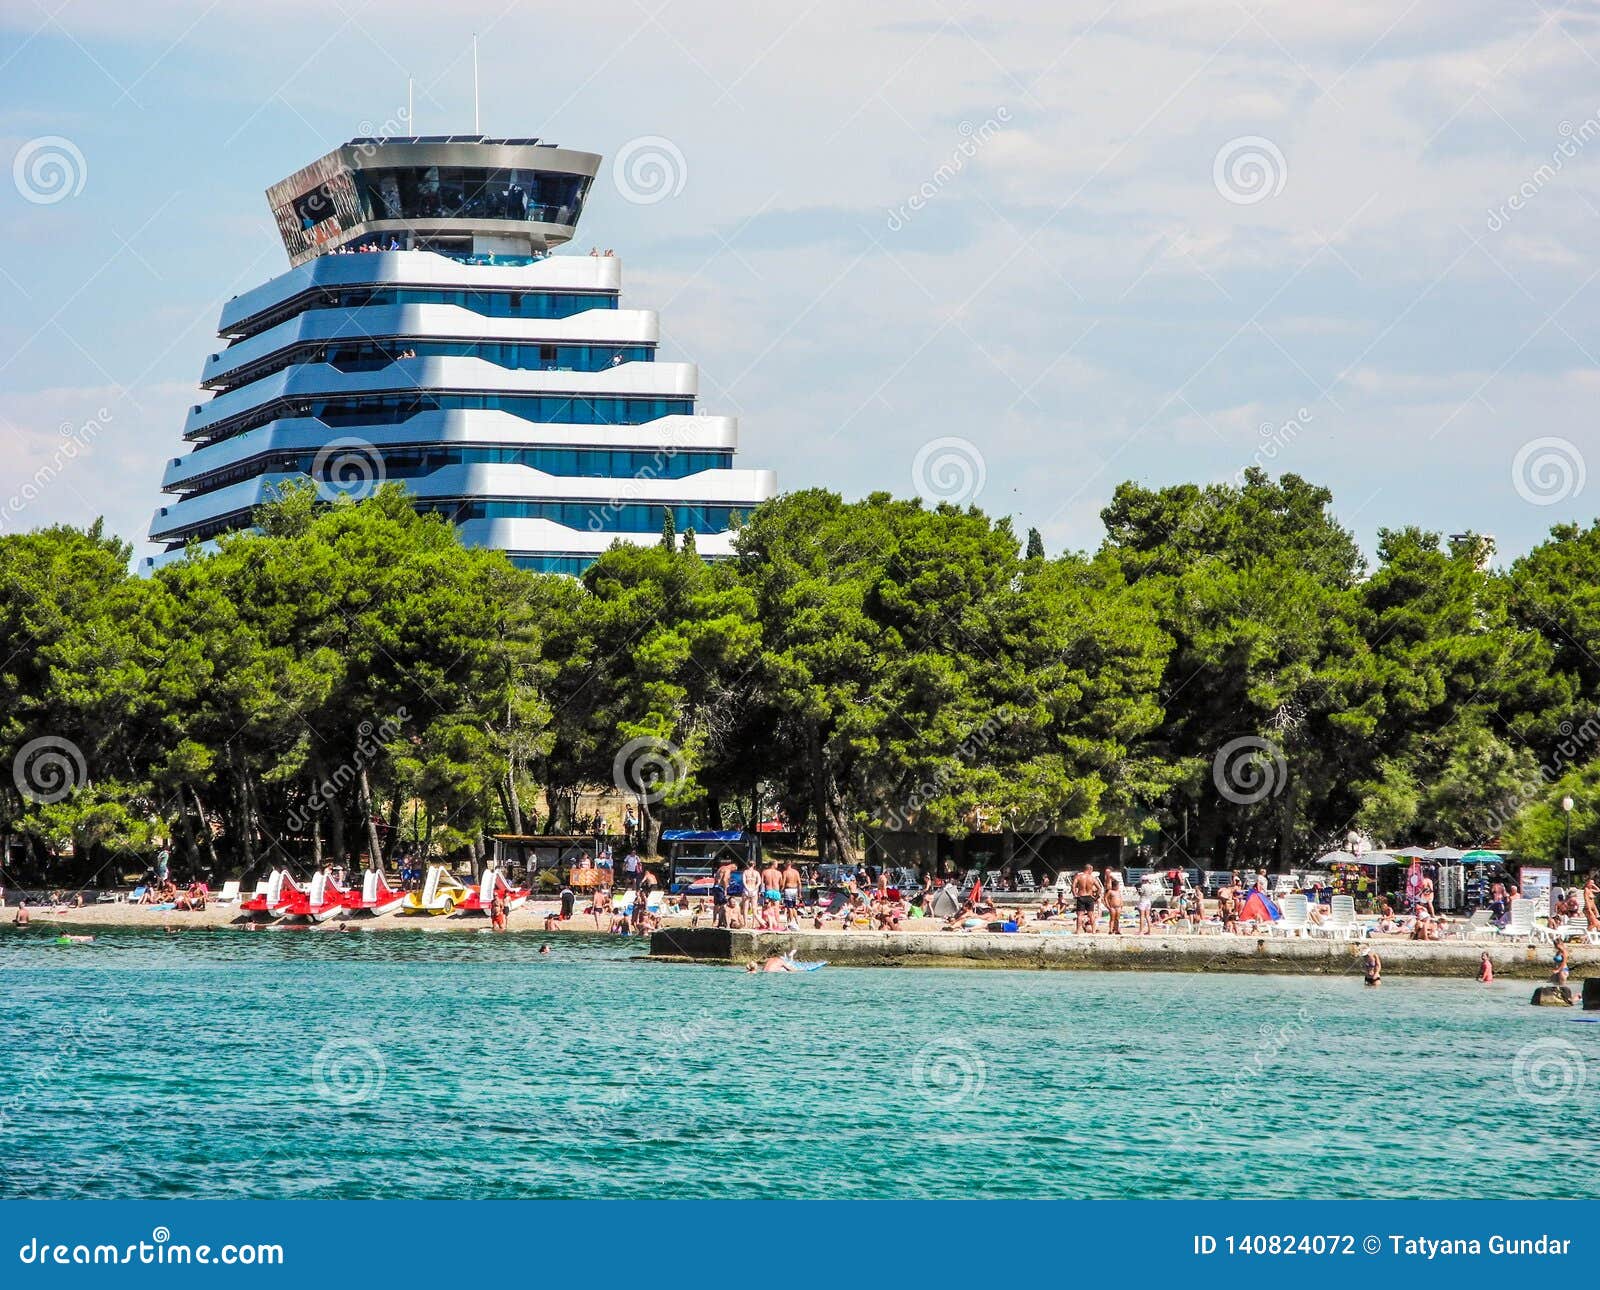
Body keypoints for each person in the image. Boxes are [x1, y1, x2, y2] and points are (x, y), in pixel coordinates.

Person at [1071, 864, 1100, 934]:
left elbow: (1073, 886)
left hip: (1081, 897)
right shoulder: (1092, 878)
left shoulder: (1078, 877)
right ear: (1089, 869)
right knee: (1091, 915)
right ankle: (1093, 931)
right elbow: (1099, 888)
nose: (1091, 872)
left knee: (1080, 915)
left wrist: (1075, 894)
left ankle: (1078, 931)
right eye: (1091, 870)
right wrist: (1096, 896)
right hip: (1089, 897)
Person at [711, 856, 736, 929]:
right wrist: (725, 890)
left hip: (715, 887)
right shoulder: (728, 870)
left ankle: (714, 921)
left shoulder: (720, 868)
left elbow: (716, 878)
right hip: (720, 889)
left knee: (716, 905)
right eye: (734, 870)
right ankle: (723, 922)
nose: (733, 871)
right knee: (724, 906)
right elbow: (725, 880)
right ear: (733, 866)